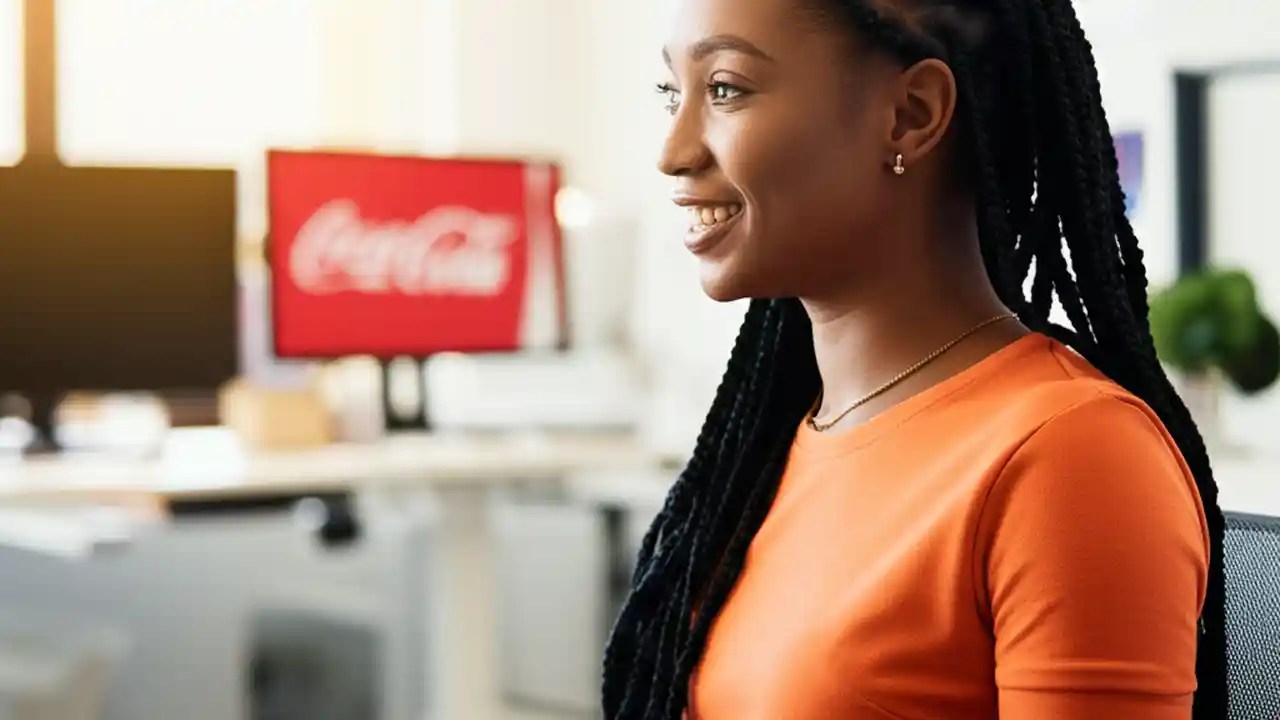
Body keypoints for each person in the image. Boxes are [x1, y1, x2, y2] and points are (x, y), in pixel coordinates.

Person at [602, 0, 1227, 718]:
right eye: (671, 95)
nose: (673, 152)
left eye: (726, 89)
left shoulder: (1070, 454)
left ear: (911, 114)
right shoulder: (774, 443)